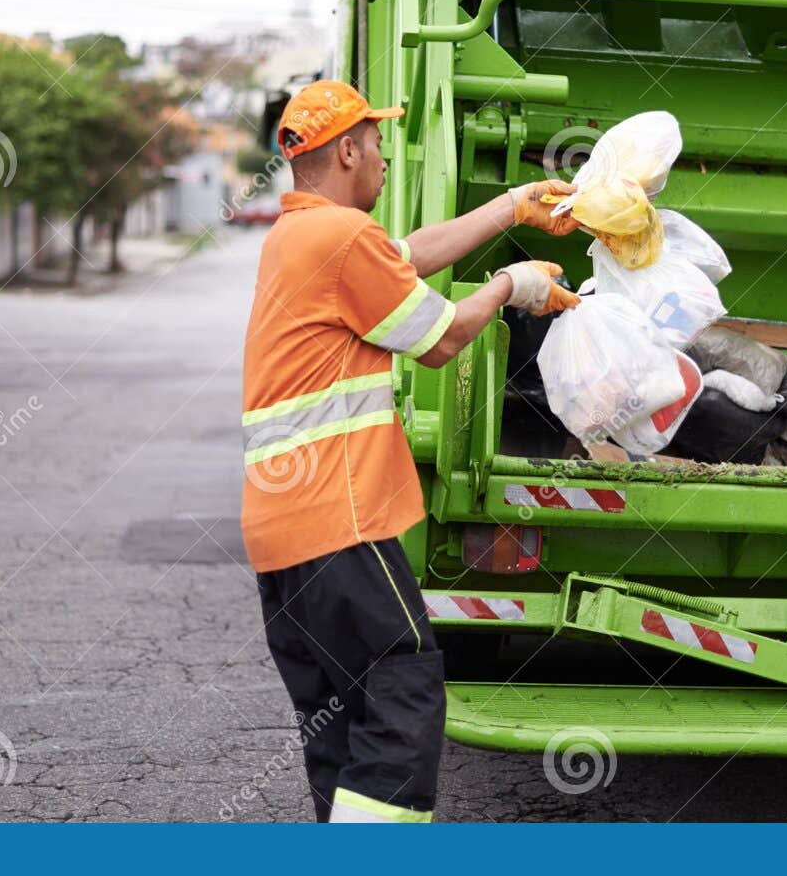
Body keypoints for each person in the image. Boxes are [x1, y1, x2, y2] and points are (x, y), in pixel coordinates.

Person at [241, 79, 579, 823]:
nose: (387, 157)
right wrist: (508, 286)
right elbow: (443, 340)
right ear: (348, 150)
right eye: (377, 142)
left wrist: (513, 205)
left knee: (344, 711)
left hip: (284, 530)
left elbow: (406, 259)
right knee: (405, 686)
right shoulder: (338, 238)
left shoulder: (300, 236)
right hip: (338, 519)